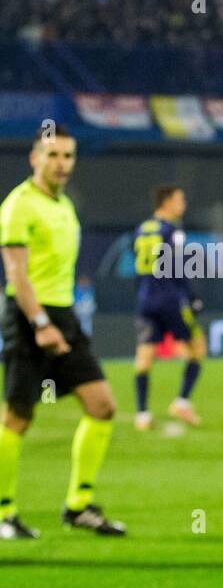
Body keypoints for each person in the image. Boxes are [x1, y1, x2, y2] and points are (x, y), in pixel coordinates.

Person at [0, 126, 126, 539]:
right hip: (28, 316)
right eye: (53, 155)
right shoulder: (19, 205)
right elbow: (17, 274)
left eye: (69, 156)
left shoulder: (65, 206)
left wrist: (60, 323)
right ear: (35, 158)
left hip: (64, 315)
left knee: (102, 405)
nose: (62, 163)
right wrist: (40, 325)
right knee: (18, 415)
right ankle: (5, 514)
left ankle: (78, 506)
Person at [132, 185, 206, 429]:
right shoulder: (172, 231)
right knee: (198, 346)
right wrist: (191, 296)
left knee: (144, 356)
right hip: (169, 299)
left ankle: (142, 415)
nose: (183, 205)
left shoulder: (141, 229)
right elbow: (178, 267)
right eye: (179, 200)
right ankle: (182, 402)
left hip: (145, 298)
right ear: (165, 202)